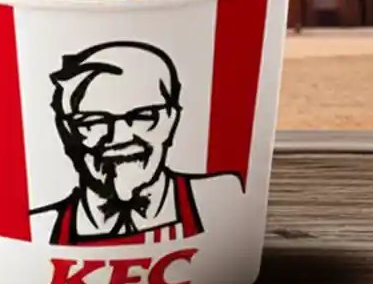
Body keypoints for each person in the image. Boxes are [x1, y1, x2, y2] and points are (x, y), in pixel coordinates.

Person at [30, 41, 242, 246]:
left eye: (143, 116)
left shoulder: (219, 199)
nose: (120, 138)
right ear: (66, 131)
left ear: (171, 121)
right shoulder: (41, 226)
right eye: (93, 121)